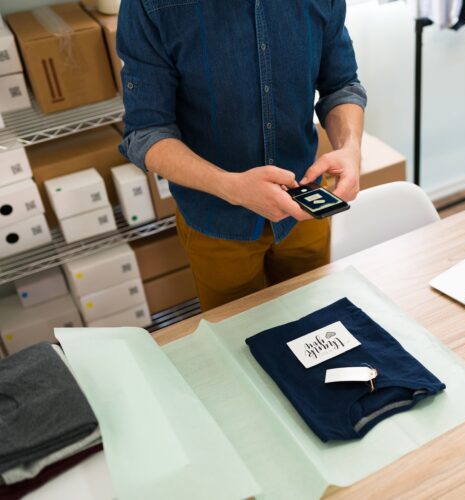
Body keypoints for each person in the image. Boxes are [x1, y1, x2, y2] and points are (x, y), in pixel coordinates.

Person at [117, 0, 367, 312]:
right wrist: (230, 186)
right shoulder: (150, 5)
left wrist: (350, 149)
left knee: (314, 321)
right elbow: (147, 131)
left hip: (304, 207)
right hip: (216, 220)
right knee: (238, 345)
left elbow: (341, 85)